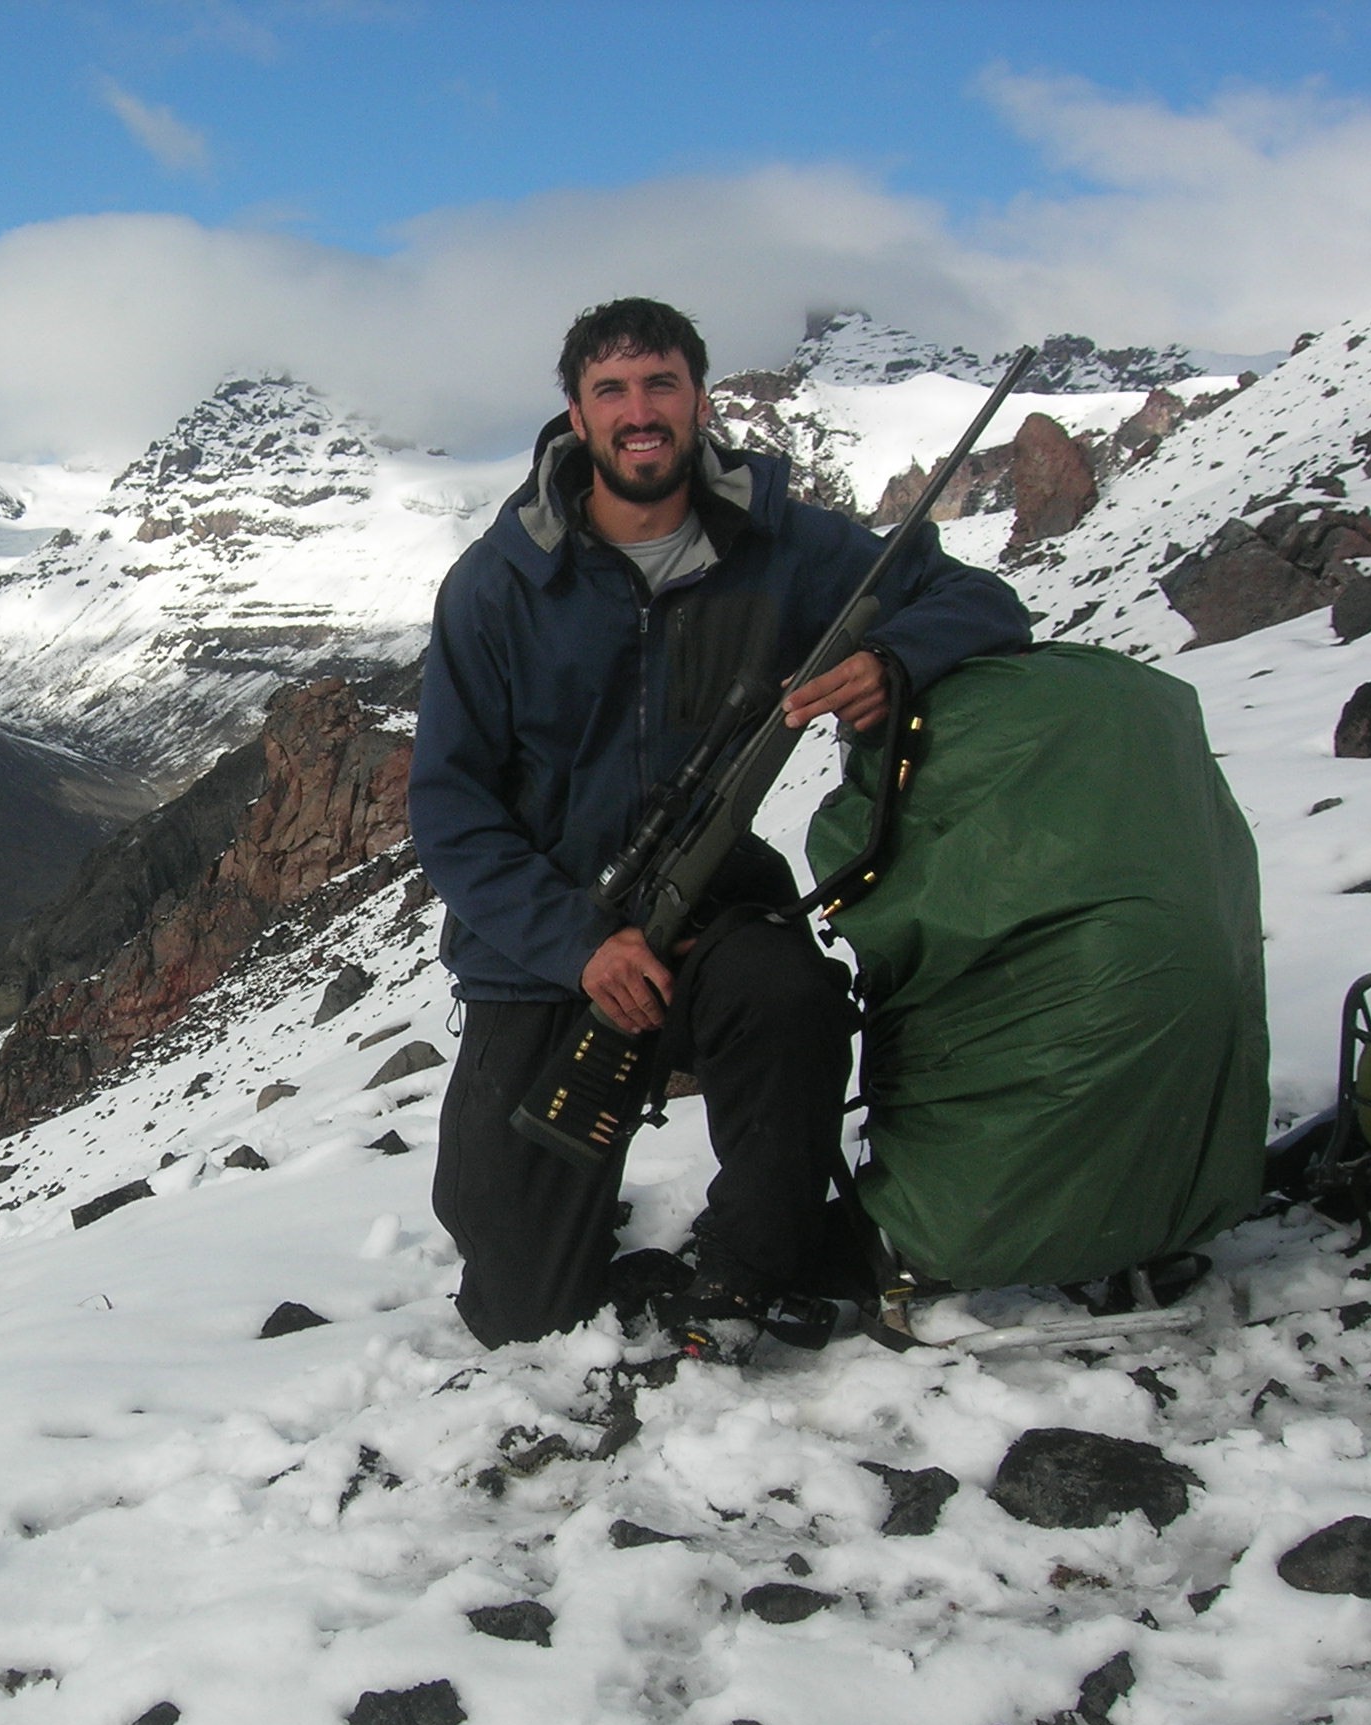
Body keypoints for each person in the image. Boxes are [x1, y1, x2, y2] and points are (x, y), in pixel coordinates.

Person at [409, 297, 1032, 1362]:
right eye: (613, 390)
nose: (639, 412)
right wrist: (577, 945)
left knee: (787, 996)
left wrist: (893, 663)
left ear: (701, 402)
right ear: (576, 414)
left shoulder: (783, 544)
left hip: (708, 912)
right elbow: (451, 811)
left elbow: (974, 598)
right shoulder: (500, 582)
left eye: (661, 385)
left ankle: (748, 1267)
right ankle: (581, 1231)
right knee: (516, 1304)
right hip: (545, 950)